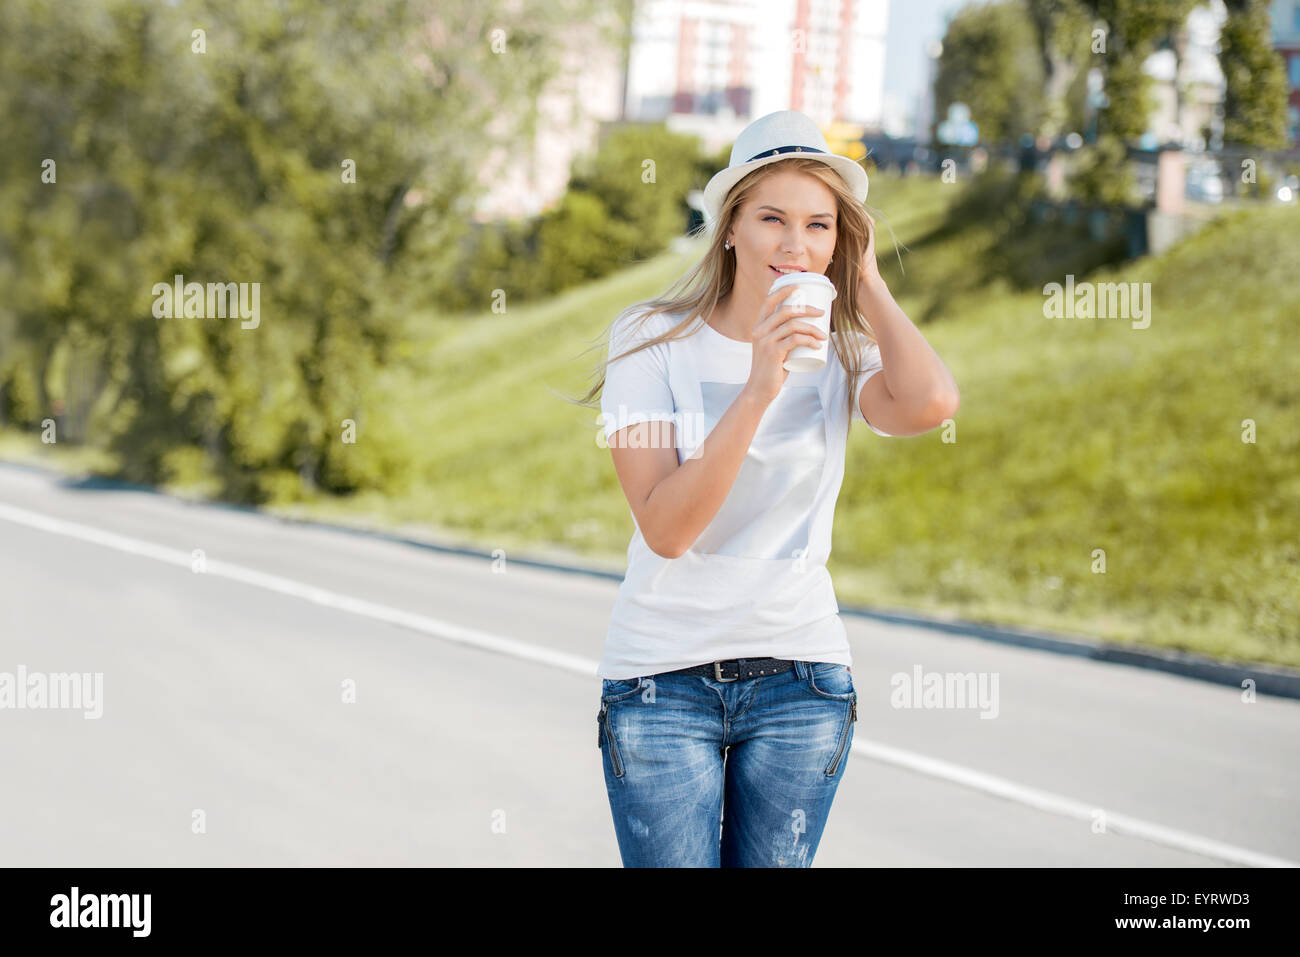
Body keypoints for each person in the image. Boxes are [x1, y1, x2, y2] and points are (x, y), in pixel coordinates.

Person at [575, 110, 960, 867]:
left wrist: (868, 282)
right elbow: (666, 528)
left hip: (801, 679)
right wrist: (759, 387)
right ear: (729, 227)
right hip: (661, 682)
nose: (795, 244)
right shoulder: (649, 338)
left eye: (820, 226)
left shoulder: (844, 350)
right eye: (772, 219)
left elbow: (931, 404)